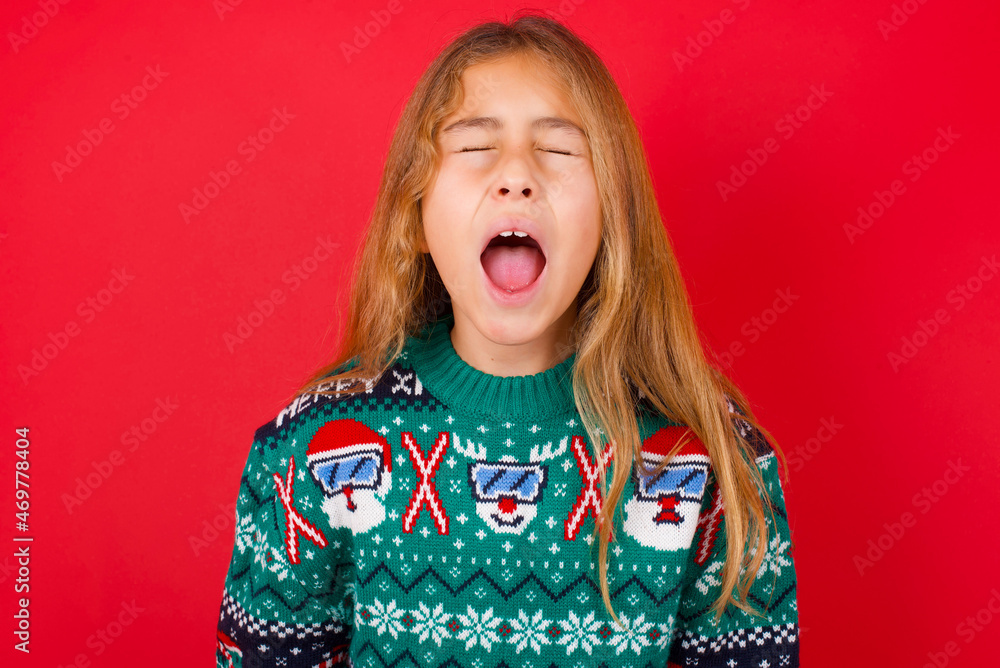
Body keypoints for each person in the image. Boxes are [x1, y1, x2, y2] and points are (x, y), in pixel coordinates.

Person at [215, 12, 800, 667]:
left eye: (558, 148)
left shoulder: (709, 456)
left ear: (614, 218)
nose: (517, 175)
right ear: (414, 215)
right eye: (474, 147)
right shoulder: (308, 450)